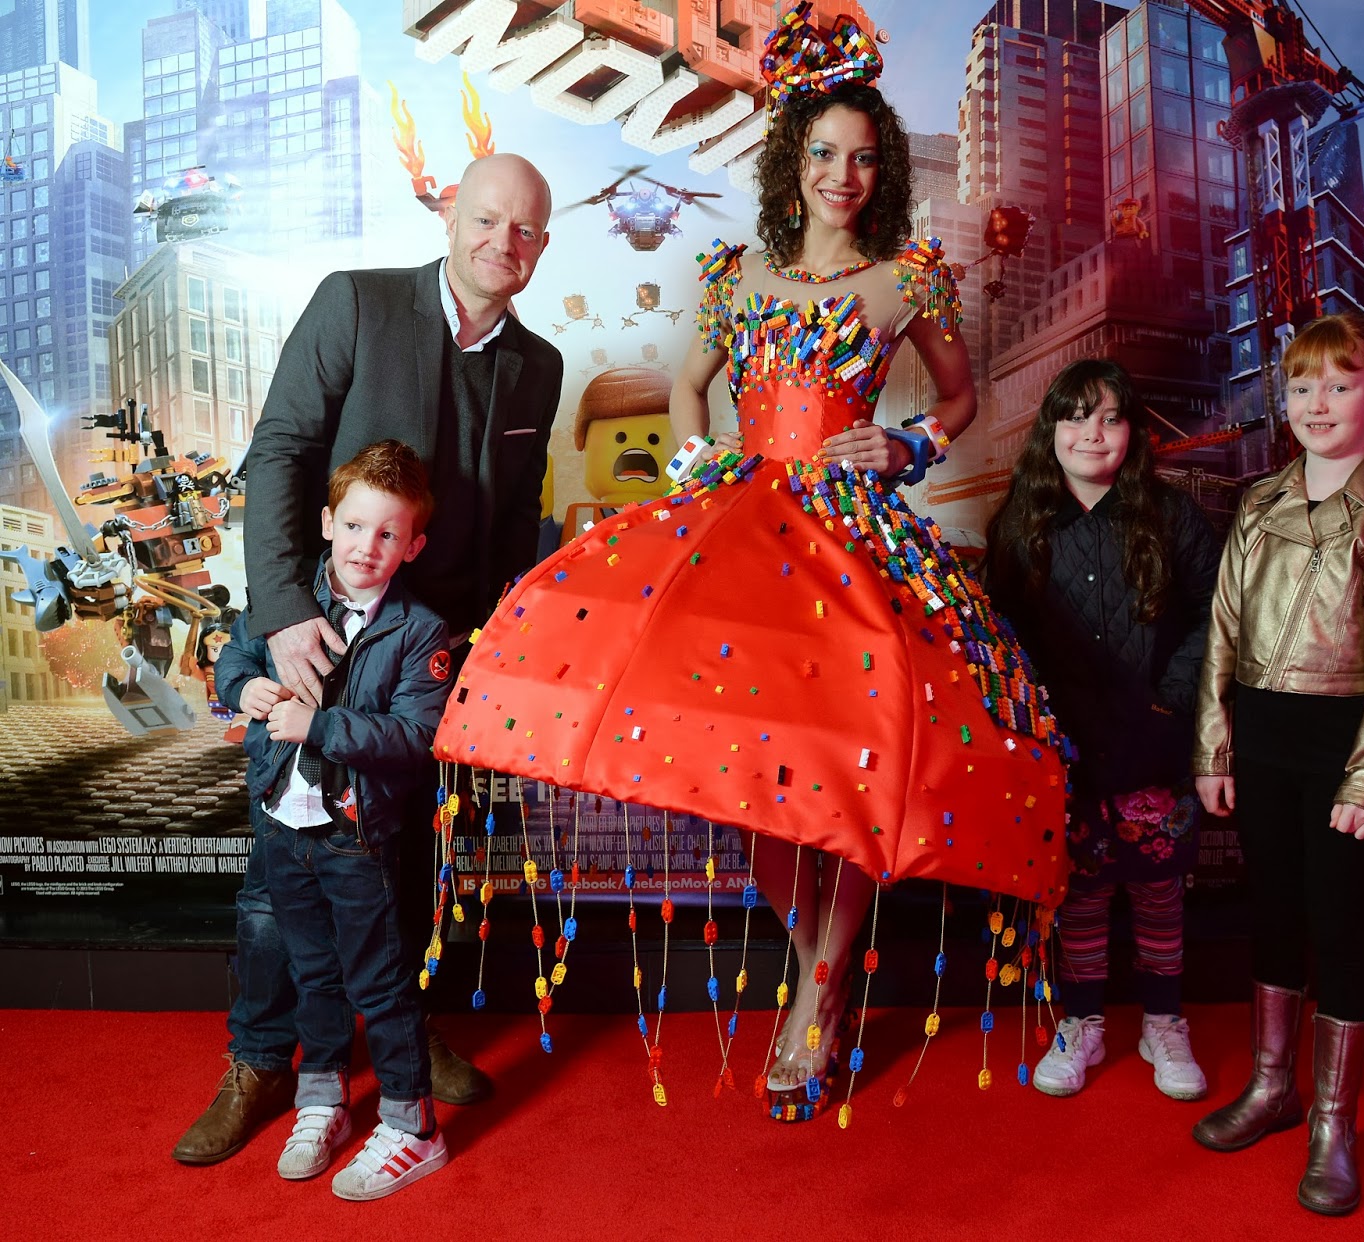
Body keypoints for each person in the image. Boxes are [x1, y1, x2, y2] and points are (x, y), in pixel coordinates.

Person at [430, 2, 1068, 1124]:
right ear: (792, 161)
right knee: (768, 790)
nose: (844, 175)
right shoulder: (733, 276)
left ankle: (814, 999)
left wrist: (907, 440)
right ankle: (815, 973)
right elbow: (687, 390)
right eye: (823, 152)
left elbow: (961, 399)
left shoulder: (909, 280)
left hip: (858, 536)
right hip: (745, 532)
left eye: (864, 158)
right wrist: (696, 461)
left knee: (857, 769)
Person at [172, 152, 562, 1164]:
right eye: (484, 221)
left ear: (542, 246)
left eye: (522, 232)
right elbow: (281, 450)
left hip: (430, 654)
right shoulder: (354, 302)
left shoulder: (540, 365)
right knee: (277, 879)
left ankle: (402, 1037)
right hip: (326, 627)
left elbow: (515, 515)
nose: (499, 245)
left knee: (412, 855)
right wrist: (289, 610)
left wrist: (498, 650)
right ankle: (260, 1060)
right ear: (448, 214)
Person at [1189, 312, 1364, 1215]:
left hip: (1344, 745)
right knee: (1272, 915)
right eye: (1300, 386)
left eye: (1339, 384)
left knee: (1338, 929)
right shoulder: (1257, 504)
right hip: (1260, 735)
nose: (1317, 403)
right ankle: (1271, 1086)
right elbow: (1221, 630)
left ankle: (1334, 1120)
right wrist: (1215, 746)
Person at [215, 440, 451, 1200]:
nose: (366, 547)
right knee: (312, 975)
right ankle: (321, 1103)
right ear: (325, 522)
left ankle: (413, 1126)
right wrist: (245, 687)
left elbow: (416, 739)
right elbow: (233, 658)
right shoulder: (289, 599)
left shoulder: (421, 632)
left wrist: (318, 727)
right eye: (353, 527)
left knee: (379, 983)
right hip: (285, 827)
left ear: (413, 544)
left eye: (387, 534)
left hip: (357, 838)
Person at [984, 359, 1219, 1102]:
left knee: (1159, 893)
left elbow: (1218, 616)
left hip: (1155, 742)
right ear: (1050, 429)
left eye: (1111, 417)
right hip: (1063, 752)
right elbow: (1000, 638)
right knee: (1077, 896)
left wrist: (1170, 704)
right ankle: (1082, 1023)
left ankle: (1163, 1022)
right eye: (1077, 415)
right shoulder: (1019, 524)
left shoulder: (1172, 515)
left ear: (1133, 433)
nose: (1093, 432)